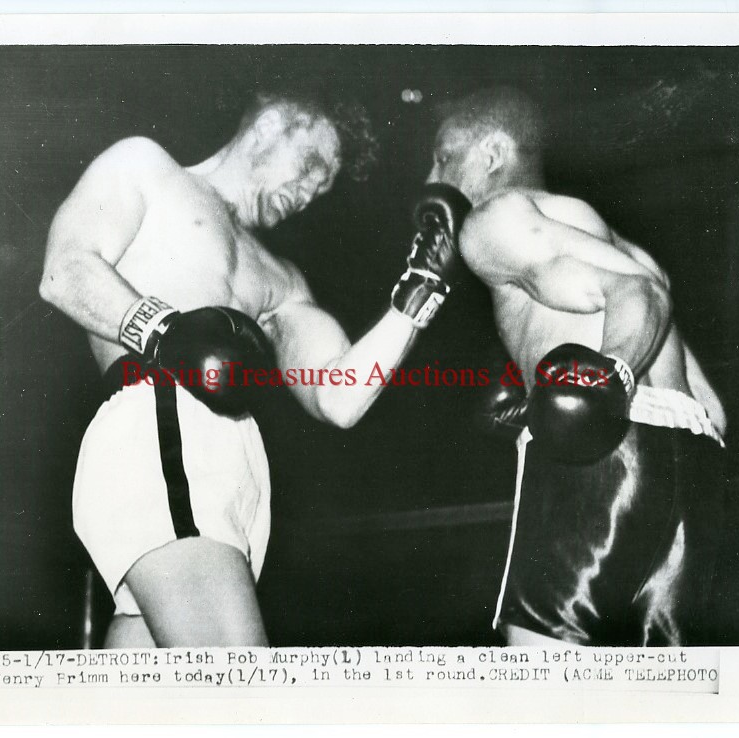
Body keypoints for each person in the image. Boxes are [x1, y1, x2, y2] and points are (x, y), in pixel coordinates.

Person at [40, 90, 470, 648]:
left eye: (325, 185)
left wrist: (421, 288)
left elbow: (338, 395)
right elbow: (66, 271)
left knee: (159, 699)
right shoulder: (147, 166)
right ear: (270, 126)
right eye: (314, 164)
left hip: (235, 469)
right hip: (163, 426)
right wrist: (164, 331)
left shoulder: (280, 277)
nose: (313, 190)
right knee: (241, 688)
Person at [426, 87, 728, 647]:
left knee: (545, 699)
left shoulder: (494, 219)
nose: (432, 177)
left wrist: (607, 381)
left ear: (492, 152)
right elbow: (711, 409)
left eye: (444, 156)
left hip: (603, 454)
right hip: (691, 476)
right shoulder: (623, 243)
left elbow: (637, 295)